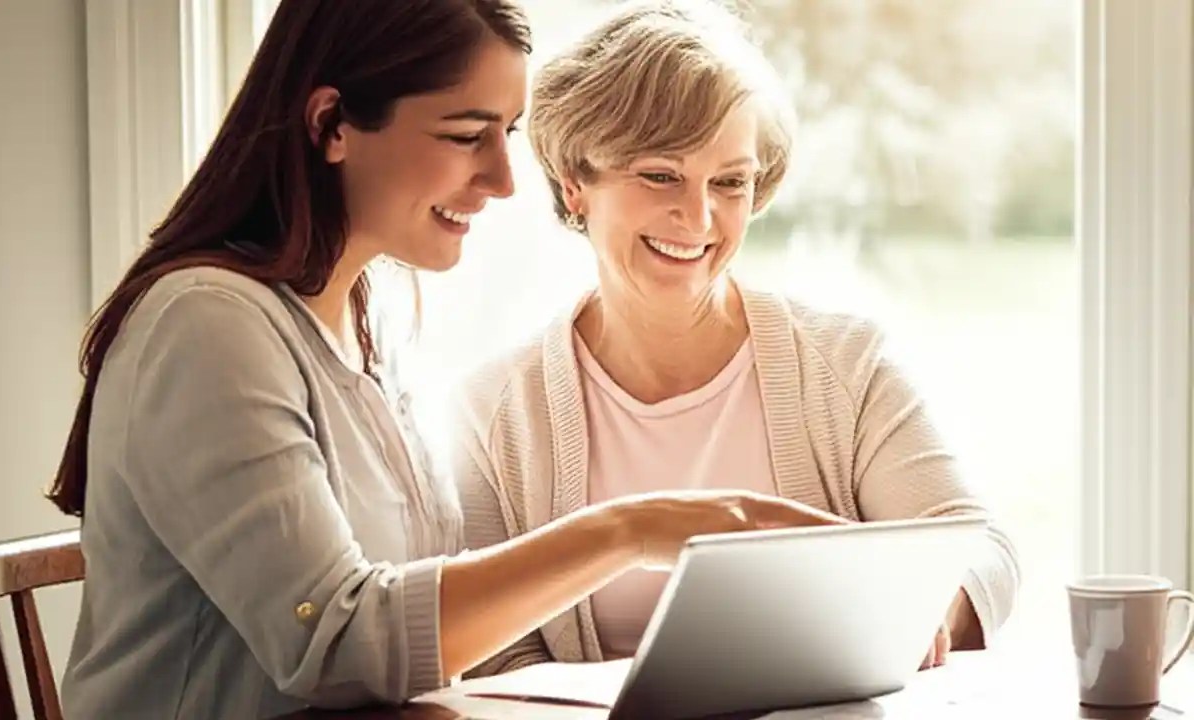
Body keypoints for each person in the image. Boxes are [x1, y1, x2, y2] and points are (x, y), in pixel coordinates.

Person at [47, 1, 845, 717]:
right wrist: (628, 531)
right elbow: (338, 646)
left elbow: (417, 605)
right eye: (468, 136)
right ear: (330, 124)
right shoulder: (207, 327)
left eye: (508, 135)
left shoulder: (371, 319)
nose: (502, 180)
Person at [451, 0, 1021, 677]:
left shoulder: (848, 365)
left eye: (731, 183)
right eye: (660, 174)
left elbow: (982, 549)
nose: (698, 217)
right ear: (575, 183)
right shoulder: (494, 411)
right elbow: (493, 659)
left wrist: (933, 605)